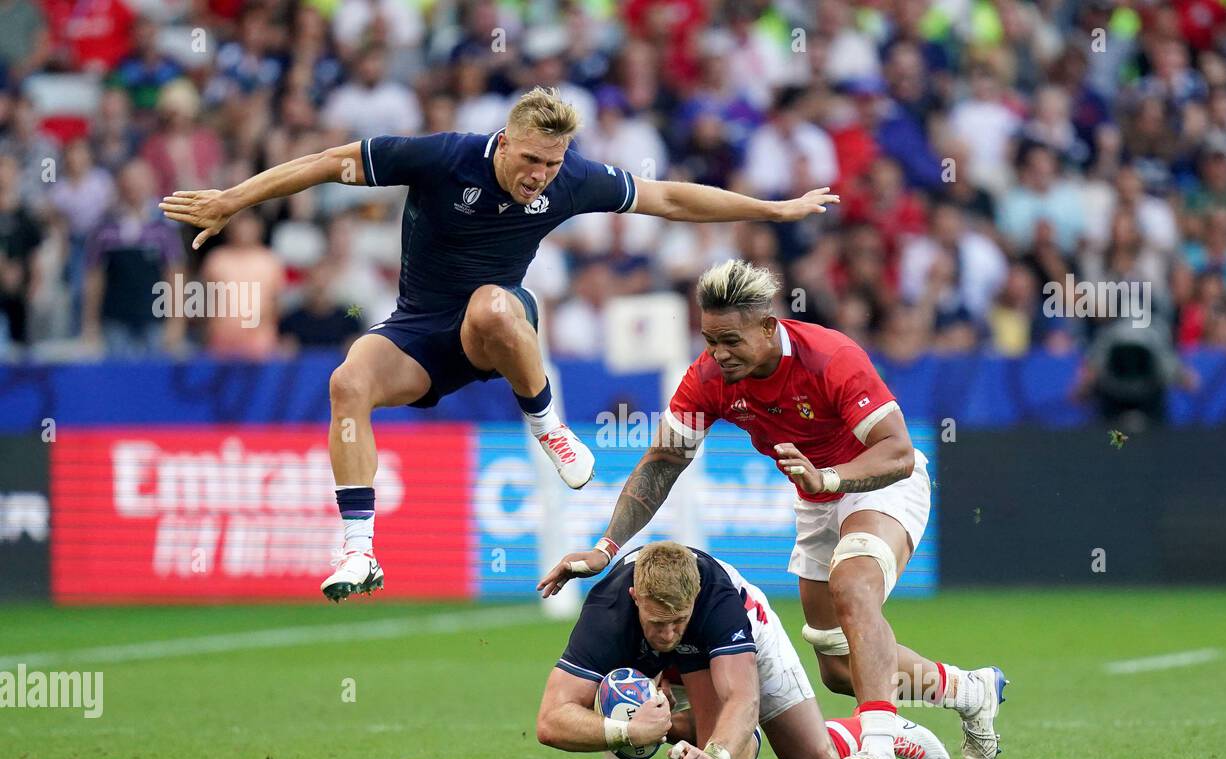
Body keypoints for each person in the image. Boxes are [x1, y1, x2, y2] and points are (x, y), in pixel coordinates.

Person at [158, 87, 838, 602]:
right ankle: (360, 551)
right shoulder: (442, 157)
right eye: (534, 159)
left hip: (499, 326)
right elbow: (324, 163)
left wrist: (772, 210)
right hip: (418, 332)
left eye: (553, 162)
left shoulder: (572, 181)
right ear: (505, 143)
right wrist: (231, 200)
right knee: (346, 384)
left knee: (490, 302)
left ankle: (547, 426)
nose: (543, 174)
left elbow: (672, 200)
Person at [540, 259, 1007, 759]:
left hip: (875, 482)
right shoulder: (710, 378)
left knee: (853, 586)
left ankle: (879, 749)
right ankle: (970, 691)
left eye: (730, 340)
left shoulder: (830, 356)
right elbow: (662, 463)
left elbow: (897, 452)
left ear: (769, 326)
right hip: (815, 494)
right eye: (710, 339)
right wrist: (606, 546)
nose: (718, 354)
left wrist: (829, 475)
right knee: (837, 664)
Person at [536, 540, 949, 759]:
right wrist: (627, 730)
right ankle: (666, 726)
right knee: (681, 729)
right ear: (634, 599)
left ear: (693, 603)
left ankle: (879, 729)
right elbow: (550, 721)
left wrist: (717, 754)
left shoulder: (717, 601)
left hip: (740, 637)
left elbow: (744, 700)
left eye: (677, 622)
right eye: (656, 623)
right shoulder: (606, 612)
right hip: (670, 660)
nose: (666, 634)